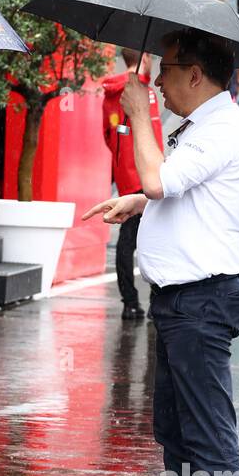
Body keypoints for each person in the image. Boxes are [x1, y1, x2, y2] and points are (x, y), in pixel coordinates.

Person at [83, 29, 239, 476]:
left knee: (211, 438)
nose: (157, 81)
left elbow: (160, 178)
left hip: (204, 301)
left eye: (168, 68)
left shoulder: (222, 129)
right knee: (177, 433)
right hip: (181, 301)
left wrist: (137, 115)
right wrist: (137, 201)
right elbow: (173, 192)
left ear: (195, 75)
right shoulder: (201, 128)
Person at [100, 48, 163, 320]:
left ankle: (129, 302)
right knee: (156, 242)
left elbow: (107, 133)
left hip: (126, 175)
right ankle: (155, 303)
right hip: (148, 177)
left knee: (126, 243)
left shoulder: (112, 93)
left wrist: (121, 159)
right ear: (145, 58)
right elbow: (153, 138)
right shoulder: (143, 92)